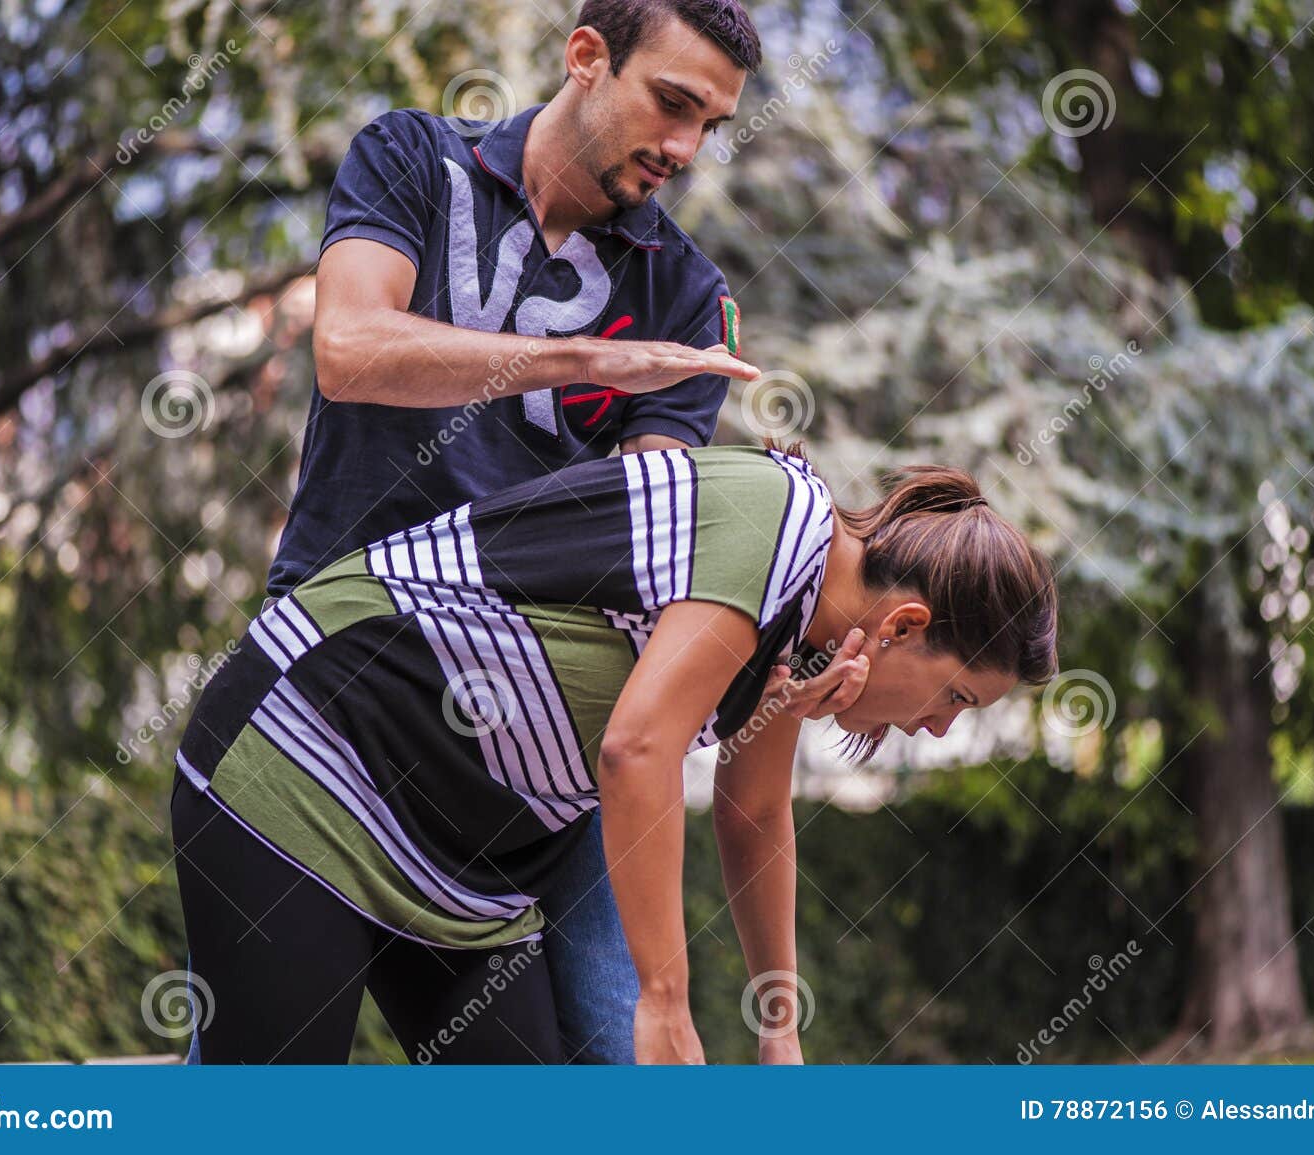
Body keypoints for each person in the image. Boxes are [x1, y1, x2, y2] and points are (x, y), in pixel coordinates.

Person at [179, 0, 872, 1065]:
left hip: (527, 745)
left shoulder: (686, 300)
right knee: (265, 1072)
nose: (686, 148)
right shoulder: (409, 157)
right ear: (586, 57)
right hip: (341, 679)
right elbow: (351, 350)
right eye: (672, 103)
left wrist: (779, 680)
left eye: (710, 125)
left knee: (615, 1075)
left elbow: (654, 563)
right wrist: (585, 360)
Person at [170, 443, 1060, 1063]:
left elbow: (753, 812)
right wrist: (665, 1004)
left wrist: (779, 1028)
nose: (938, 727)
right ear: (906, 624)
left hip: (454, 867)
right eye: (956, 697)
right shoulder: (776, 525)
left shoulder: (797, 625)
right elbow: (639, 750)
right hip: (307, 752)